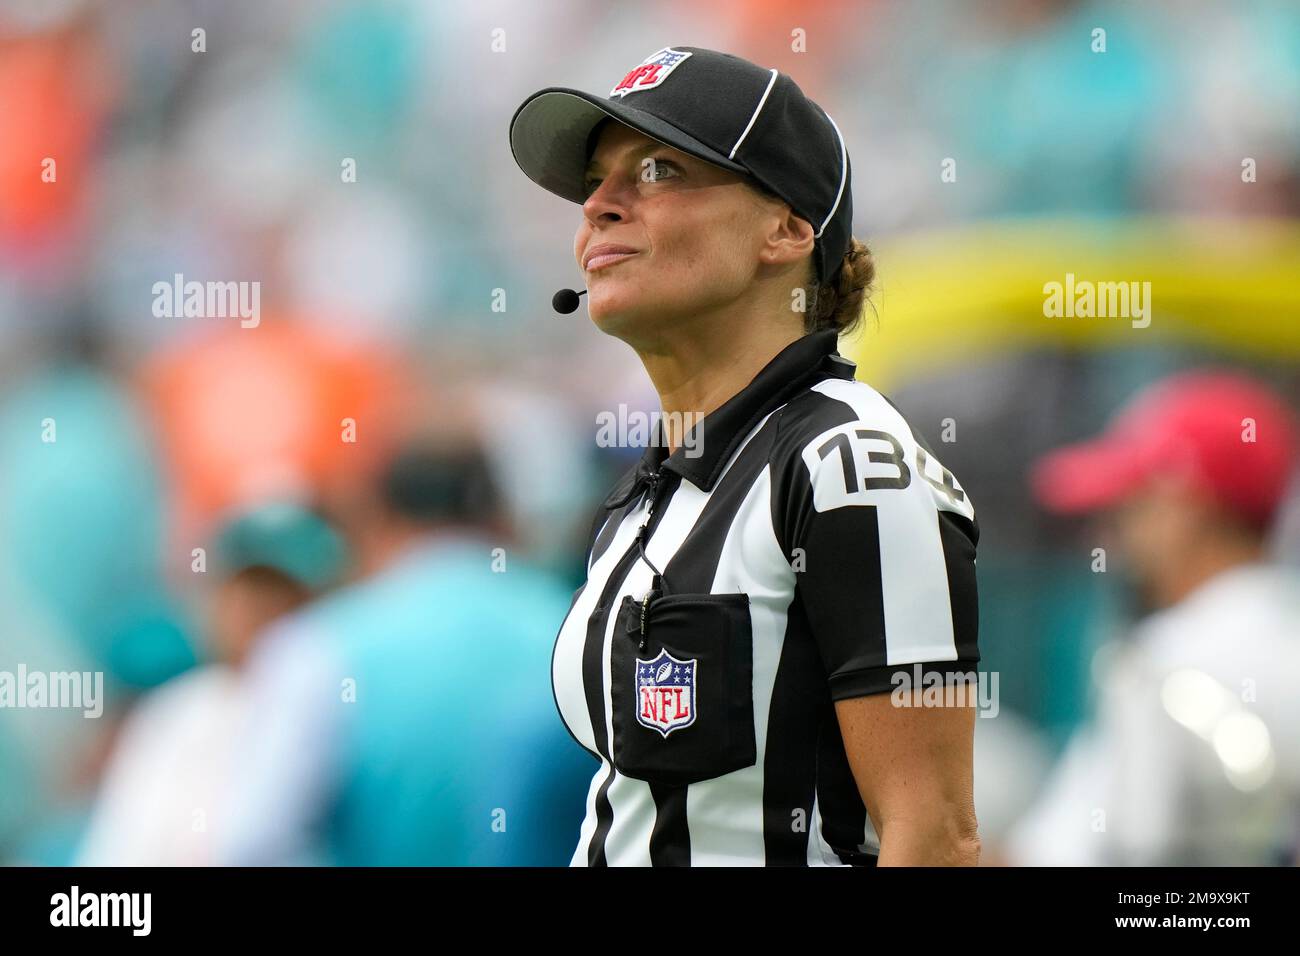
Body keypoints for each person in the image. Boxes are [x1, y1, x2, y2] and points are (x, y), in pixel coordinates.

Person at [509, 46, 982, 866]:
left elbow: (933, 832)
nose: (600, 208)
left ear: (787, 229)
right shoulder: (652, 491)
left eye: (657, 170)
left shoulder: (848, 461)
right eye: (596, 182)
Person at [215, 440, 594, 866]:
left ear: (378, 517)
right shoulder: (579, 629)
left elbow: (253, 845)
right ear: (499, 516)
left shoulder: (319, 645)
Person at [1003, 370, 1300, 865]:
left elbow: (1067, 857)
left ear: (1186, 506)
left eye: (1129, 507)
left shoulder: (1167, 656)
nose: (1109, 538)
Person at [76, 503, 346, 865]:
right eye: (246, 596)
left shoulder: (338, 714)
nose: (257, 616)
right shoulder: (179, 713)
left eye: (280, 599)